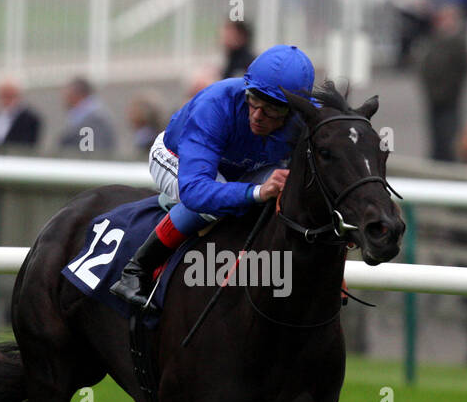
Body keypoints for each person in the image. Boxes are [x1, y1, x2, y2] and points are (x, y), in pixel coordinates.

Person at [108, 44, 314, 308]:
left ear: (295, 109)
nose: (257, 116)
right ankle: (136, 271)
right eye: (253, 100)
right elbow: (196, 191)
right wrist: (256, 192)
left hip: (240, 167)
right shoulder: (214, 105)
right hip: (176, 157)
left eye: (272, 109)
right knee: (216, 205)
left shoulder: (307, 116)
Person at [419, 3, 467, 163]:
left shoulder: (457, 42)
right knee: (435, 131)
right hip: (433, 95)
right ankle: (437, 158)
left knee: (449, 131)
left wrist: (450, 89)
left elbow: (464, 69)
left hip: (448, 96)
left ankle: (449, 160)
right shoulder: (435, 39)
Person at [56, 77, 117, 154]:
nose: (64, 100)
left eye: (67, 95)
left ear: (77, 95)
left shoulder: (94, 121)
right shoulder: (83, 118)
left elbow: (93, 153)